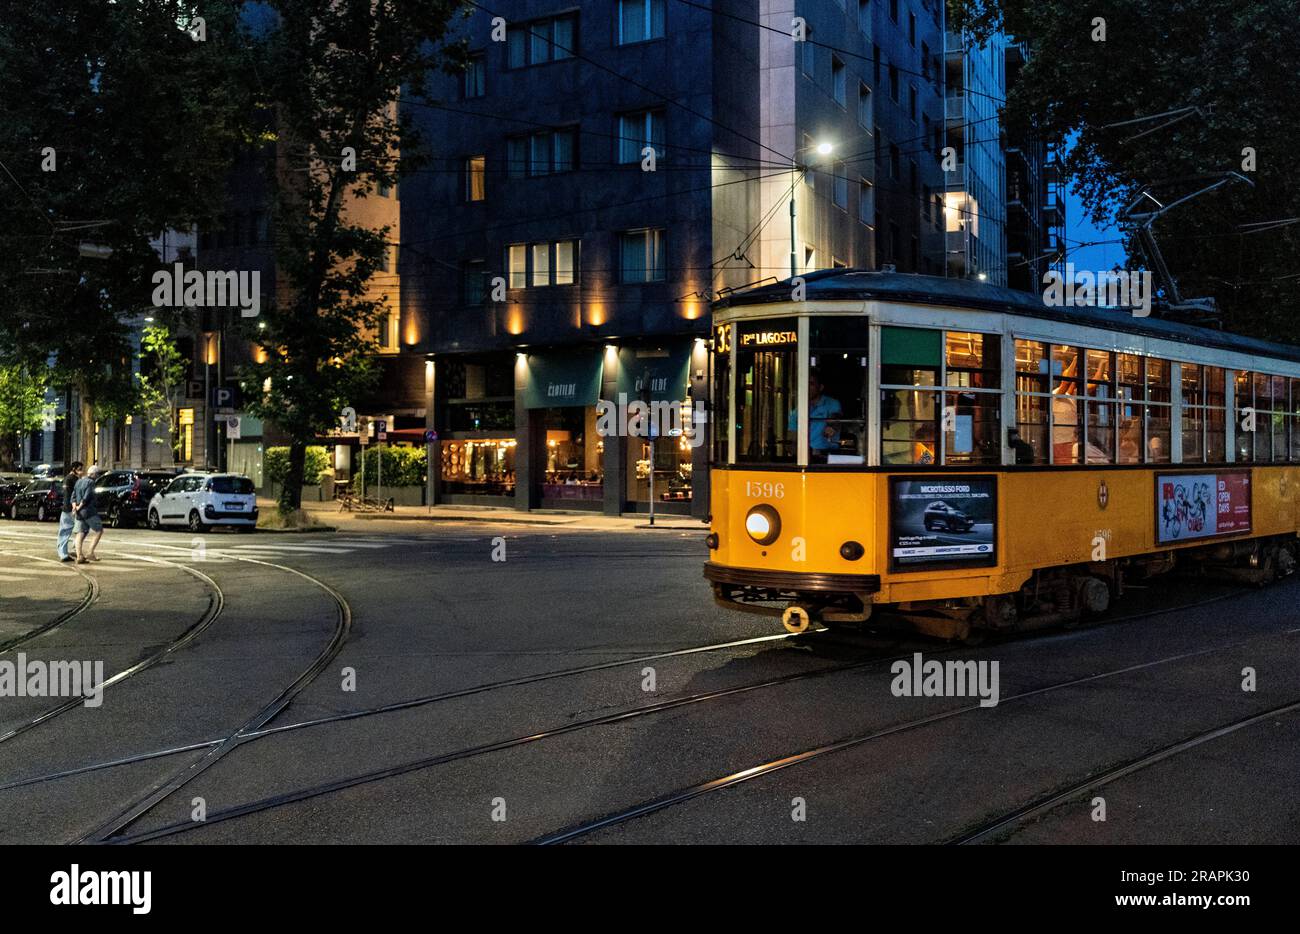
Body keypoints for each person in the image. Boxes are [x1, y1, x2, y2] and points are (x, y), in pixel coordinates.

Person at [787, 368, 842, 462]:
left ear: (820, 387)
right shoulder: (797, 410)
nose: (807, 387)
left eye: (811, 383)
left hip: (826, 458)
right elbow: (793, 437)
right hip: (804, 457)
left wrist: (831, 427)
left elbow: (835, 419)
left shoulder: (832, 403)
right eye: (805, 383)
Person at [71, 465, 105, 564]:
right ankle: (90, 552)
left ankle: (79, 556)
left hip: (78, 512)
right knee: (99, 530)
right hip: (88, 511)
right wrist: (80, 506)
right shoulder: (91, 482)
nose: (97, 476)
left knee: (80, 533)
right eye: (97, 474)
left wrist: (75, 507)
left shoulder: (79, 481)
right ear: (94, 474)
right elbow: (87, 497)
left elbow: (73, 496)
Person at [56, 462, 83, 562]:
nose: (81, 471)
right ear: (74, 469)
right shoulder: (74, 480)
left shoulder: (66, 478)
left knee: (65, 531)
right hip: (71, 508)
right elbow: (75, 494)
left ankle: (66, 552)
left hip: (66, 507)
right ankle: (69, 552)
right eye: (79, 469)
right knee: (75, 530)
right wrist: (75, 506)